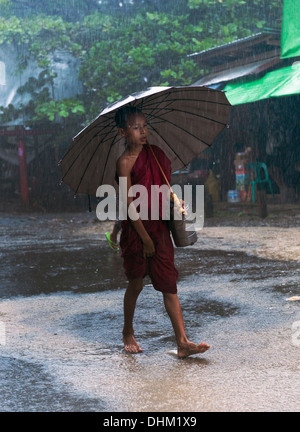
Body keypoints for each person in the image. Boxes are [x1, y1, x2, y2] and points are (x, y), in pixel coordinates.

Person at [115, 106, 210, 359]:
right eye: (136, 128)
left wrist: (174, 203)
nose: (143, 132)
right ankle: (127, 331)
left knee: (169, 284)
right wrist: (144, 239)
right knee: (136, 284)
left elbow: (162, 188)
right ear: (122, 132)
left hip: (159, 228)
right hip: (137, 232)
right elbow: (127, 204)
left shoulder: (156, 155)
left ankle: (183, 342)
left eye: (145, 126)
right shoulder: (123, 163)